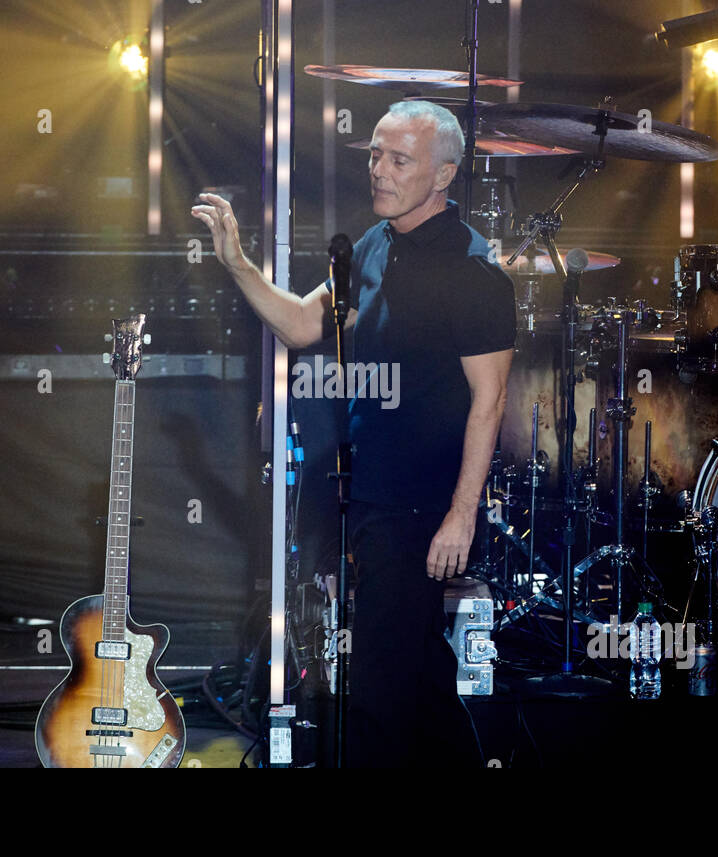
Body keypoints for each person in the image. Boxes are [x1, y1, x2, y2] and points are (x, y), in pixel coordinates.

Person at [191, 100, 515, 767]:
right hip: (364, 498)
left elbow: (491, 400)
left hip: (420, 510)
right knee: (420, 677)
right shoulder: (375, 242)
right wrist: (238, 264)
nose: (380, 170)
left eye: (399, 159)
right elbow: (305, 325)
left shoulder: (472, 271)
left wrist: (461, 515)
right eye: (374, 153)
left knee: (374, 690)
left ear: (444, 173)